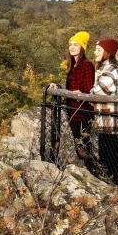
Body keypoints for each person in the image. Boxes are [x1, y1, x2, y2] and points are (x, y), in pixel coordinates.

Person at [49, 32, 95, 167]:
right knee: (77, 142)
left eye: (76, 44)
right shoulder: (71, 65)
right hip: (72, 109)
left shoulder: (87, 65)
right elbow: (71, 87)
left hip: (84, 110)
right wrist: (57, 87)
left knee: (85, 142)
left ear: (82, 47)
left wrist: (81, 94)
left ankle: (91, 168)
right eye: (70, 45)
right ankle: (86, 168)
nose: (72, 47)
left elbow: (89, 88)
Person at [91, 38, 118, 186]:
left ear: (107, 52)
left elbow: (99, 91)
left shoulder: (110, 70)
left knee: (110, 160)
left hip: (111, 122)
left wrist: (91, 90)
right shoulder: (111, 69)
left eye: (98, 50)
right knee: (113, 159)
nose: (95, 52)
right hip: (112, 122)